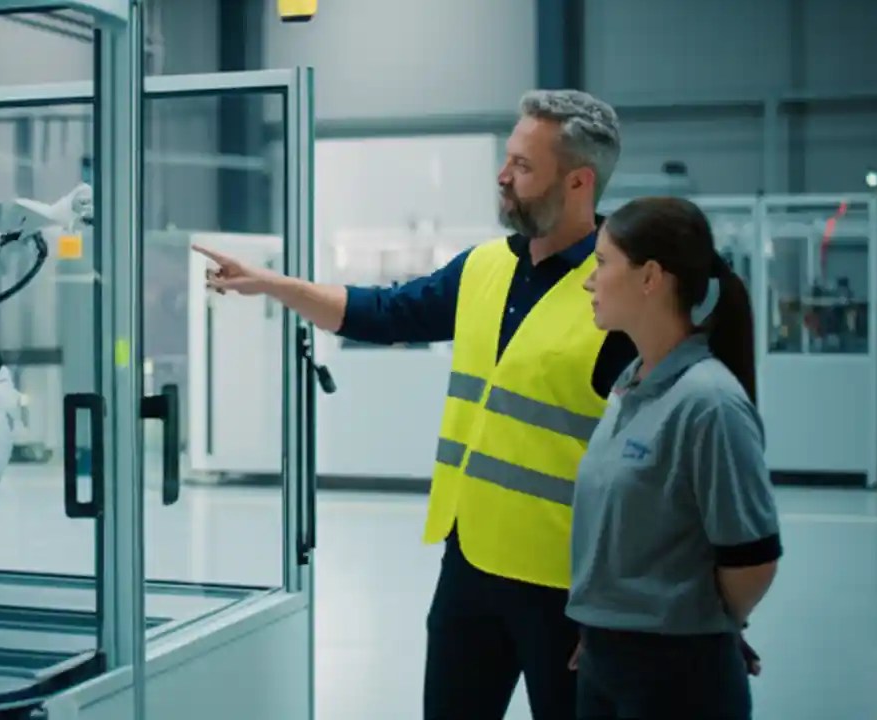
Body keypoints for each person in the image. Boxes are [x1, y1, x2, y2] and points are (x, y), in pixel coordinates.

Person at [196, 89, 635, 719]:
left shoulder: (615, 291)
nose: (502, 176)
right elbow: (382, 311)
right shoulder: (483, 267)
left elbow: (650, 467)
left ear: (579, 182)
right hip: (471, 563)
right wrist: (270, 285)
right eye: (506, 158)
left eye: (523, 166)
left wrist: (628, 605)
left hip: (565, 586)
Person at [568, 196, 783, 719]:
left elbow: (752, 562)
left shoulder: (708, 402)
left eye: (601, 263)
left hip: (677, 675)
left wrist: (695, 626)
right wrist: (607, 627)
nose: (588, 281)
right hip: (605, 659)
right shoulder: (630, 384)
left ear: (650, 278)